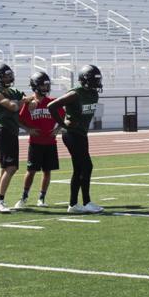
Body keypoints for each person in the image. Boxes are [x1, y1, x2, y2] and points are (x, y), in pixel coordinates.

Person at [48, 64, 104, 214]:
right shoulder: (75, 93)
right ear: (84, 80)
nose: (97, 83)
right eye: (94, 80)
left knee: (79, 168)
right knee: (87, 166)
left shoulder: (93, 94)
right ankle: (86, 202)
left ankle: (73, 204)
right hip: (72, 134)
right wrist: (61, 125)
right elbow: (52, 106)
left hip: (81, 133)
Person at [16, 71, 60, 208]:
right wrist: (28, 130)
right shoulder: (28, 103)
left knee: (47, 171)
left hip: (50, 143)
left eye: (47, 85)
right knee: (31, 171)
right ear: (35, 86)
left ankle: (41, 198)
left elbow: (64, 117)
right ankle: (24, 197)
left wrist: (58, 129)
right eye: (43, 86)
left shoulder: (52, 102)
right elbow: (17, 119)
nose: (46, 88)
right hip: (35, 143)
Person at [0, 63, 25, 213]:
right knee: (11, 167)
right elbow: (13, 107)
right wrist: (25, 100)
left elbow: (30, 105)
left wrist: (31, 101)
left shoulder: (14, 91)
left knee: (4, 167)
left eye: (10, 75)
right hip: (3, 131)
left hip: (11, 131)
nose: (9, 77)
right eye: (5, 75)